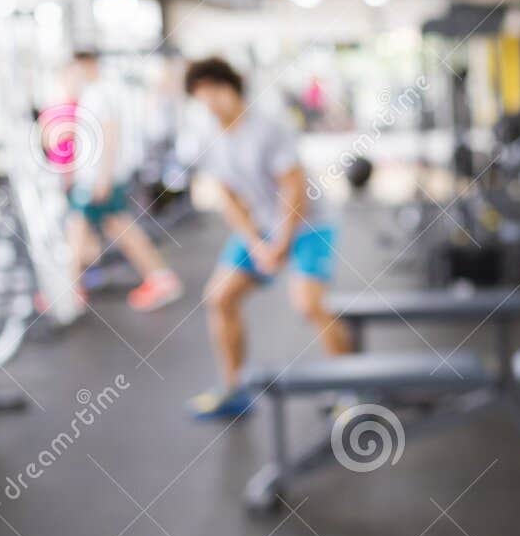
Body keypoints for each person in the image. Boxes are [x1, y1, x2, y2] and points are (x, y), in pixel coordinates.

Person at [182, 57, 353, 420]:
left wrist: (282, 244)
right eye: (201, 96)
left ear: (232, 89)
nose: (210, 102)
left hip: (309, 223)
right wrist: (257, 243)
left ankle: (350, 390)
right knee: (219, 297)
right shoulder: (208, 136)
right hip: (260, 226)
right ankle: (234, 390)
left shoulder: (268, 127)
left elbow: (295, 190)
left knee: (309, 304)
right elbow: (227, 196)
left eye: (215, 92)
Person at [56, 52, 180, 312]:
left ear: (87, 66)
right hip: (95, 177)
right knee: (110, 227)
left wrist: (103, 178)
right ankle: (158, 277)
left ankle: (70, 293)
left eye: (75, 69)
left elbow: (110, 136)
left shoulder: (99, 95)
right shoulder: (94, 94)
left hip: (97, 179)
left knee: (86, 227)